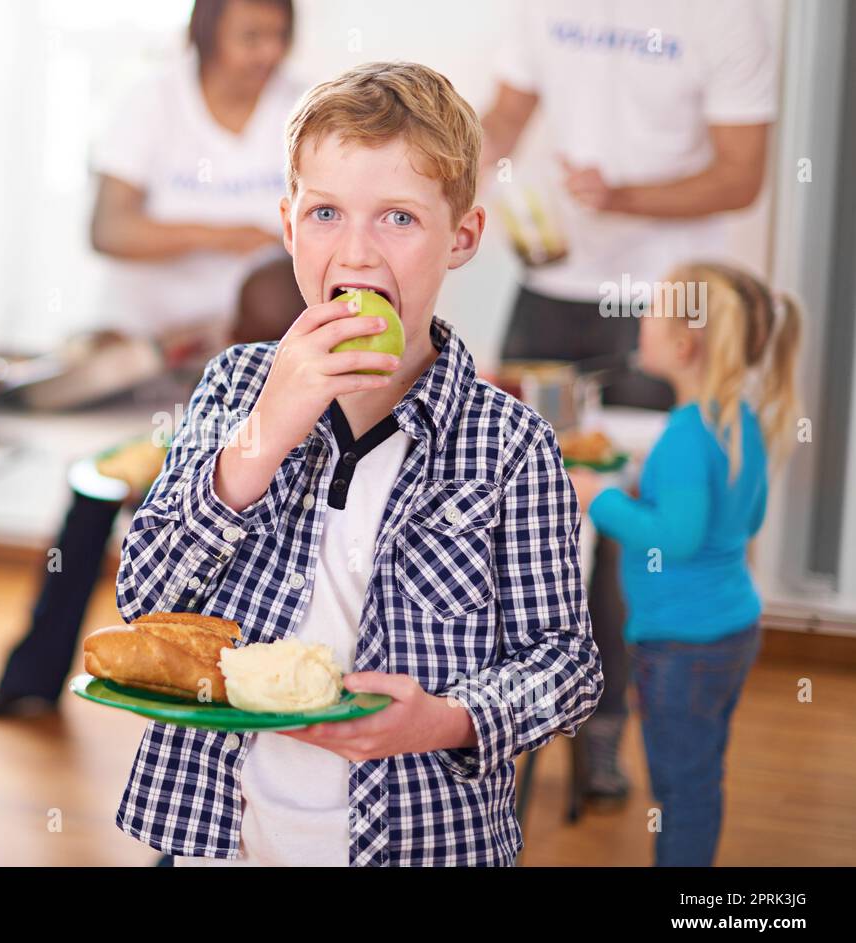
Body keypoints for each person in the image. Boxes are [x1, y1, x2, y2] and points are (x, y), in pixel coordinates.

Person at [115, 61, 602, 866]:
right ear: (287, 224)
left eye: (399, 218)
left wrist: (445, 718)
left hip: (417, 840)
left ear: (464, 237)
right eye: (327, 212)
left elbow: (566, 667)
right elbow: (146, 597)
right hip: (218, 840)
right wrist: (263, 435)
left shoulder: (510, 443)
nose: (357, 251)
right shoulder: (237, 386)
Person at [0, 0, 306, 720]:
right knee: (94, 506)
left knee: (240, 520)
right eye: (250, 35)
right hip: (150, 353)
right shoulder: (153, 101)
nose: (265, 52)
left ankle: (232, 698)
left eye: (276, 34)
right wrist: (226, 234)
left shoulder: (299, 106)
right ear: (209, 32)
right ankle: (32, 678)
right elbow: (109, 226)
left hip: (252, 357)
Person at [479, 0, 777, 801]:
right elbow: (504, 116)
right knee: (501, 501)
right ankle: (490, 715)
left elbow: (742, 175)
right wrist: (437, 171)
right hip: (548, 289)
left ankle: (602, 729)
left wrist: (621, 196)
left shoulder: (728, 18)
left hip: (660, 305)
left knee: (625, 531)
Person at [570, 262, 800, 866]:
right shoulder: (738, 423)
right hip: (729, 631)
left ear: (684, 343)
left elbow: (673, 538)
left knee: (679, 791)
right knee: (698, 776)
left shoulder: (684, 437)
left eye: (651, 311)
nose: (640, 322)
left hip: (682, 648)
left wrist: (602, 498)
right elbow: (744, 522)